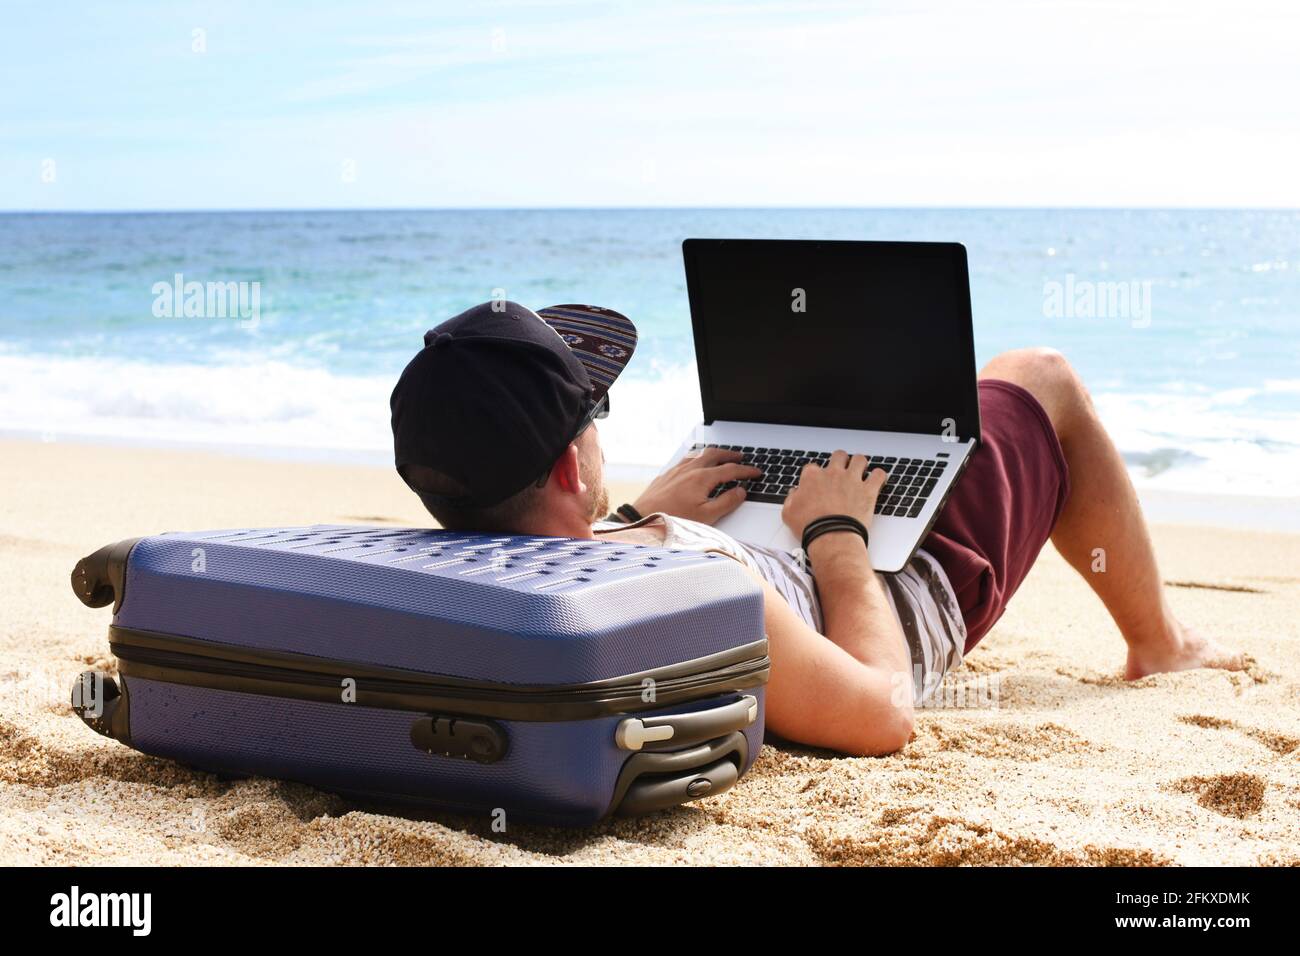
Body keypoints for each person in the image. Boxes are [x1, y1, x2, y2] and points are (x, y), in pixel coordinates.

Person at [391, 301, 1245, 757]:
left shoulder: (448, 589)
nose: (599, 427)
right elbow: (882, 714)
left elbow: (546, 548)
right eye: (594, 410)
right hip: (878, 608)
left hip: (713, 556)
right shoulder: (696, 584)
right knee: (1040, 377)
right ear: (573, 468)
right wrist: (837, 531)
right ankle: (1159, 644)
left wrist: (626, 522)